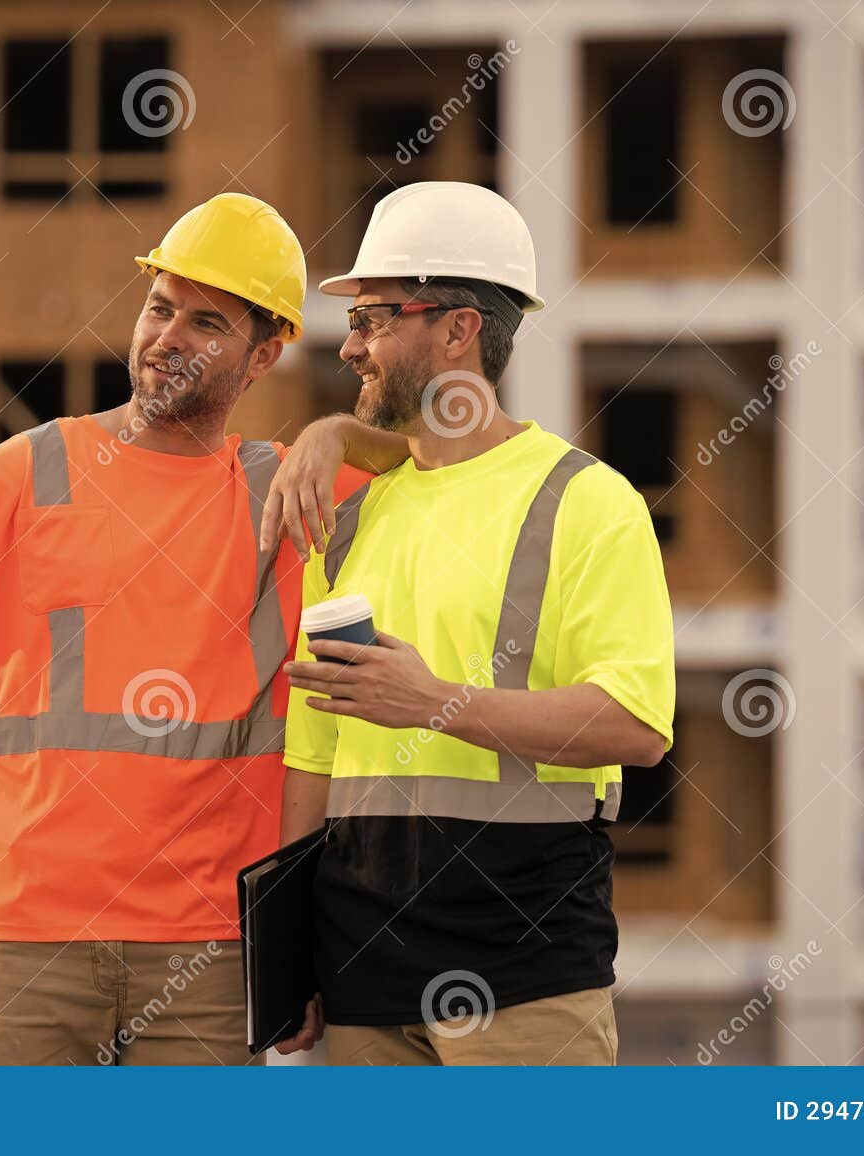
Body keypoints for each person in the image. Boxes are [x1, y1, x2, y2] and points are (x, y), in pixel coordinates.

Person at [0, 192, 406, 1065]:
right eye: (160, 308)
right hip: (23, 933)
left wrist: (335, 433)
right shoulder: (20, 473)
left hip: (211, 946)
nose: (168, 337)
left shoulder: (288, 491)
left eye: (206, 323)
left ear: (265, 354)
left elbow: (440, 458)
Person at [275, 182, 675, 1066]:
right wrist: (290, 949)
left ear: (457, 330)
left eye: (373, 318)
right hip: (362, 979)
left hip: (526, 975)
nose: (349, 345)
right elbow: (313, 755)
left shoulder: (587, 500)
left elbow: (636, 726)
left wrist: (435, 703)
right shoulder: (349, 520)